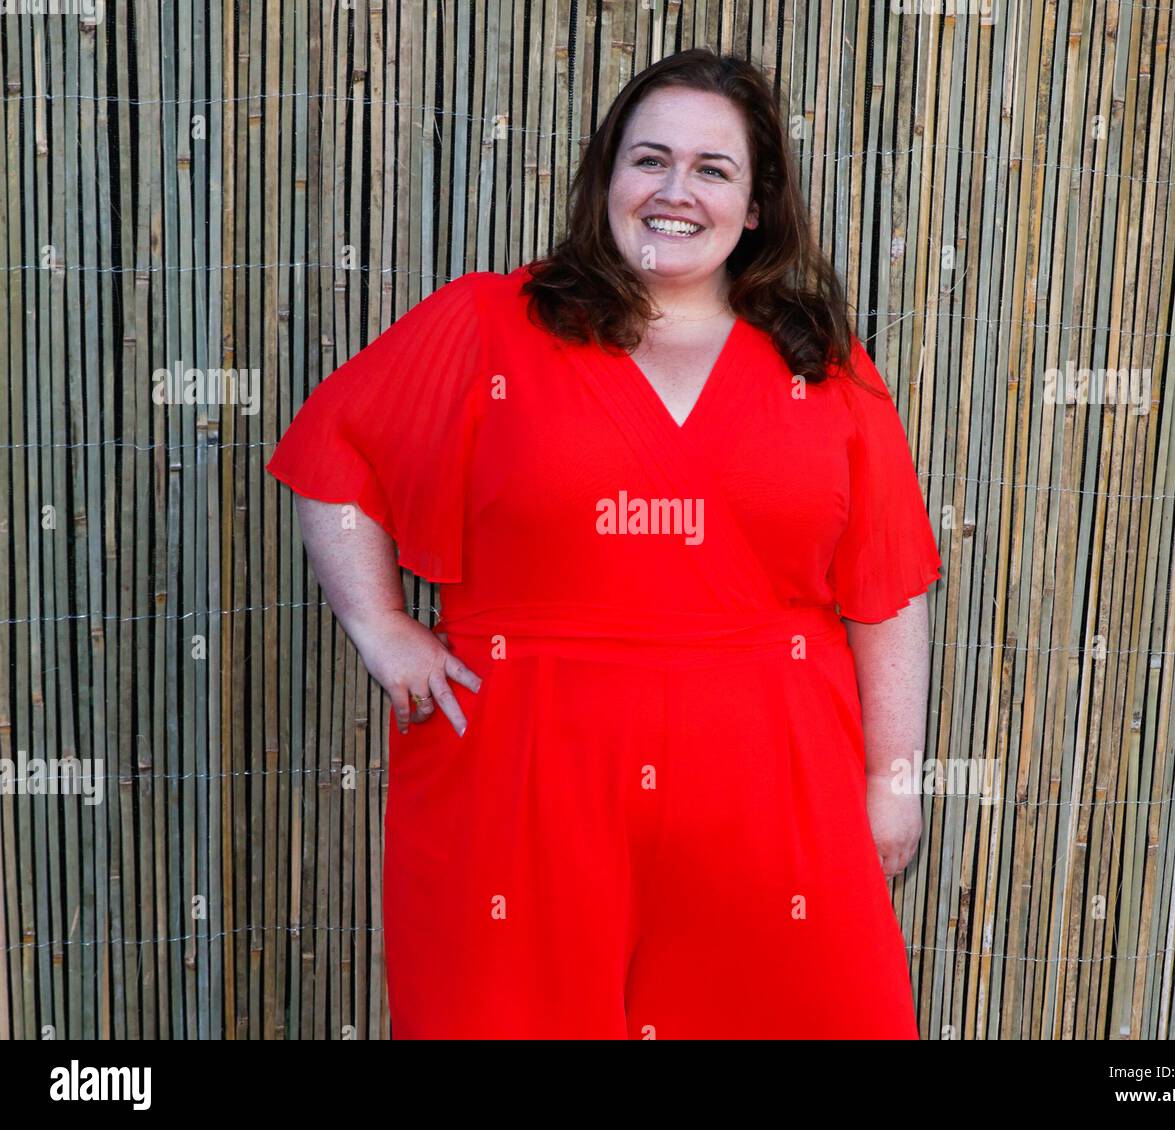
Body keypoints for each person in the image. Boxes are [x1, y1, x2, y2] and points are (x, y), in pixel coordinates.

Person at [266, 47, 942, 1039]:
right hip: (522, 779)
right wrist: (380, 626)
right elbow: (334, 456)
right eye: (649, 159)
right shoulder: (490, 322)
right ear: (606, 178)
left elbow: (887, 588)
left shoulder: (821, 363)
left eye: (713, 170)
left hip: (772, 786)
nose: (676, 191)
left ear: (755, 205)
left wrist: (892, 782)